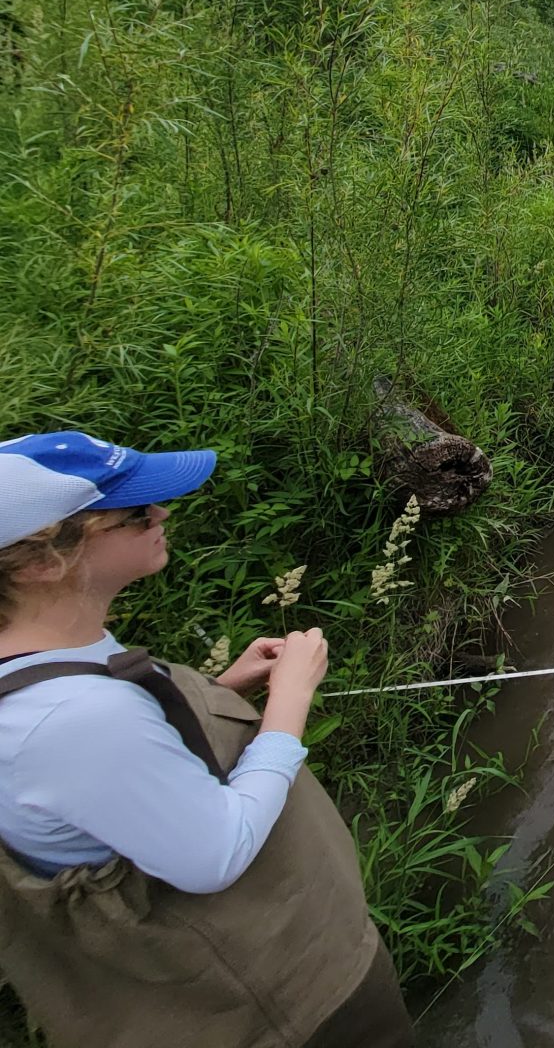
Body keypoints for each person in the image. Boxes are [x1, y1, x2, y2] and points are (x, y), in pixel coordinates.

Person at [0, 432, 411, 1047]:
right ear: (40, 562)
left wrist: (225, 688)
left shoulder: (48, 665)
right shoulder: (70, 721)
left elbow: (124, 771)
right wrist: (290, 700)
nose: (161, 514)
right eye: (136, 513)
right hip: (279, 1010)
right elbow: (216, 853)